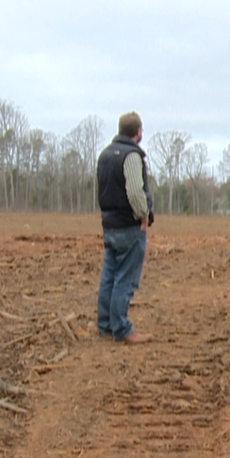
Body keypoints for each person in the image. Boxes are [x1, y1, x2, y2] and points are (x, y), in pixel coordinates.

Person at [96, 111, 155, 344]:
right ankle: (121, 329)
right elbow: (134, 190)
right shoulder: (131, 156)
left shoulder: (105, 155)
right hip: (128, 226)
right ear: (138, 131)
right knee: (125, 279)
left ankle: (105, 326)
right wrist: (143, 215)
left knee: (109, 275)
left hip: (109, 224)